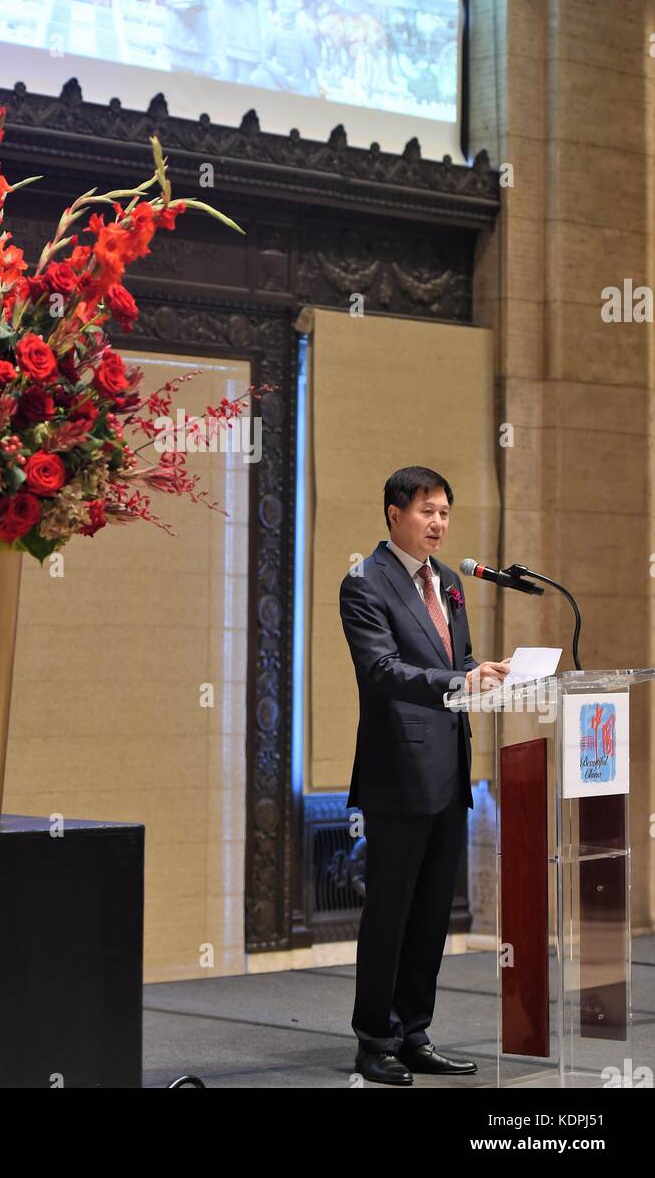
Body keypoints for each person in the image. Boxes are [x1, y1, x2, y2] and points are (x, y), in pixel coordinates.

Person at [340, 465, 509, 1085]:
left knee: (434, 910)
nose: (438, 523)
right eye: (426, 511)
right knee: (391, 909)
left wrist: (485, 671)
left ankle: (414, 1032)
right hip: (398, 771)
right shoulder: (365, 582)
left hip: (450, 767)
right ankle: (373, 1039)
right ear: (394, 513)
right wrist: (458, 680)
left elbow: (454, 661)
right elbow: (381, 671)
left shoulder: (448, 583)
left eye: (444, 512)